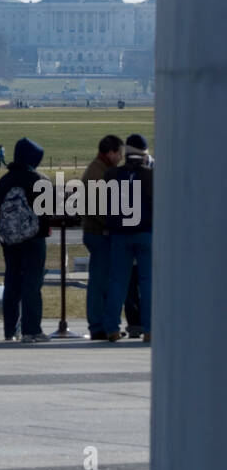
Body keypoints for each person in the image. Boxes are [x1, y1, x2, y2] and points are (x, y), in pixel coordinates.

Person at [0, 138, 50, 342]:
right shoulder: (38, 179)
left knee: (12, 284)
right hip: (34, 238)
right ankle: (32, 329)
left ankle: (11, 330)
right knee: (32, 285)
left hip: (9, 240)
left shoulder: (5, 180)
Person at [104, 135, 153, 344]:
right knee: (148, 282)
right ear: (143, 153)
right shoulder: (151, 176)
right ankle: (150, 329)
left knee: (118, 282)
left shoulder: (112, 175)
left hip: (120, 234)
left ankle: (112, 328)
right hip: (146, 233)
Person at [81, 135, 123, 340]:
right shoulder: (97, 173)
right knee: (99, 282)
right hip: (99, 233)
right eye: (119, 153)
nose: (121, 157)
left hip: (99, 232)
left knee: (103, 280)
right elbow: (97, 207)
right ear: (110, 153)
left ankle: (104, 324)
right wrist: (115, 223)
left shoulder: (100, 169)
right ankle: (97, 325)